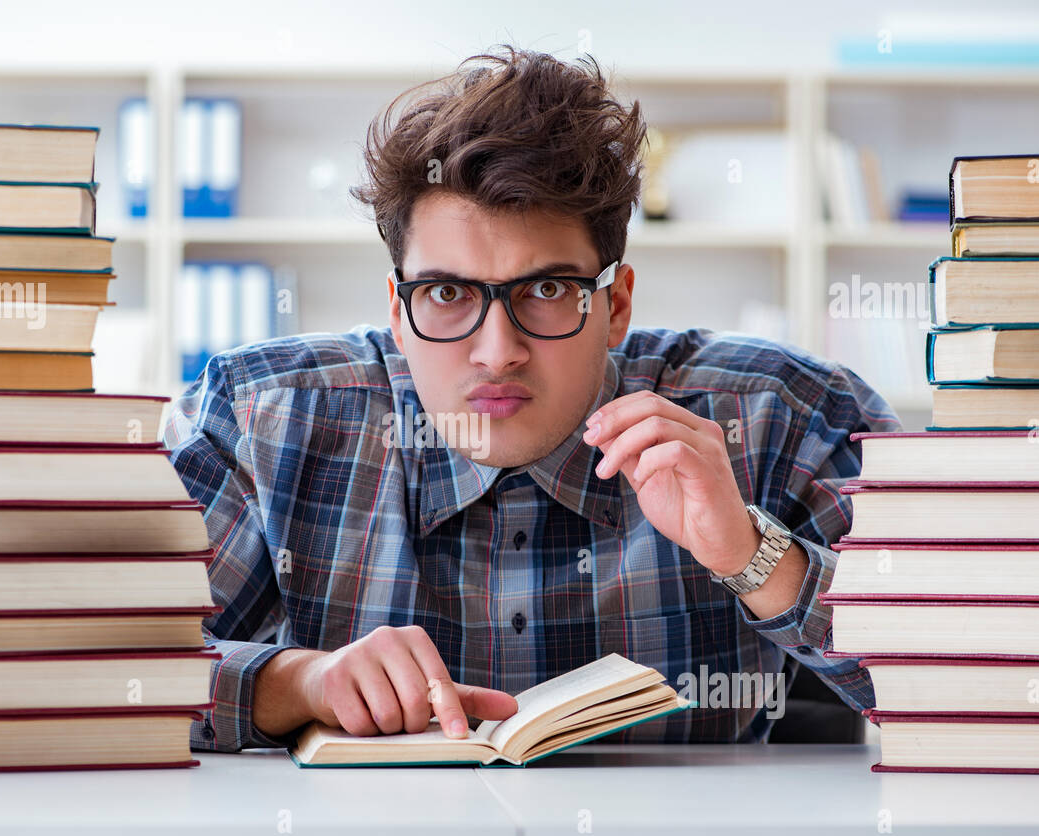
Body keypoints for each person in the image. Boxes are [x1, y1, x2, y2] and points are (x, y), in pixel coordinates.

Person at [163, 44, 902, 754]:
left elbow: (969, 686)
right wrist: (301, 681)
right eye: (447, 293)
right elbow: (108, 675)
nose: (497, 351)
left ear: (615, 306)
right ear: (396, 308)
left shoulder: (787, 413)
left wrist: (751, 554)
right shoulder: (259, 415)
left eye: (547, 290)